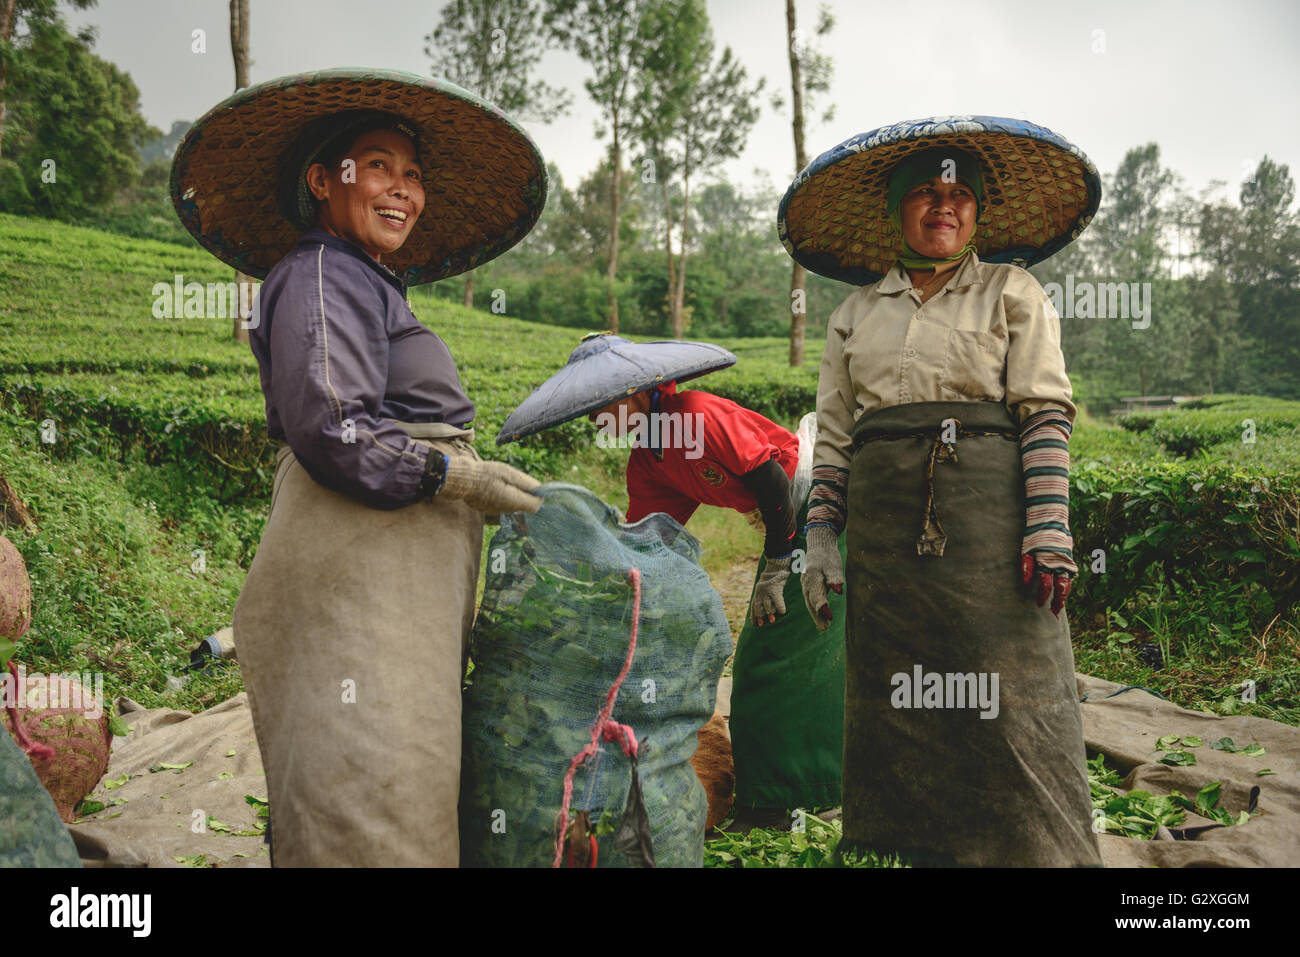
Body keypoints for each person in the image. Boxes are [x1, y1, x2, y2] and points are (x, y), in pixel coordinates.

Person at [170, 69, 548, 866]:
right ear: (323, 181)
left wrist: (461, 476)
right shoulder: (319, 272)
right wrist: (455, 478)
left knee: (407, 760)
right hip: (360, 557)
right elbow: (333, 426)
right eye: (377, 166)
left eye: (413, 175)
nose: (402, 190)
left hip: (397, 558)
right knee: (372, 766)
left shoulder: (364, 280)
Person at [779, 116, 1105, 866]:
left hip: (991, 527)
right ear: (898, 209)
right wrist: (821, 541)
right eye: (925, 193)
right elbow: (832, 441)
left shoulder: (1010, 292)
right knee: (897, 693)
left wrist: (1048, 524)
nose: (943, 207)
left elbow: (1044, 410)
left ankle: (1034, 848)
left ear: (978, 214)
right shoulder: (855, 313)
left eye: (958, 195)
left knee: (1009, 692)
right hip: (889, 537)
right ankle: (899, 841)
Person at [496, 333, 846, 832]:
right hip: (784, 524)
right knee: (773, 650)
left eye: (603, 406)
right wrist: (599, 587)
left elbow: (769, 478)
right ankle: (778, 793)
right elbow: (648, 540)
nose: (598, 420)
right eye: (591, 412)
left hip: (816, 509)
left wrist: (775, 561)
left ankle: (808, 797)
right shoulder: (649, 460)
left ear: (637, 393)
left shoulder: (696, 414)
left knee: (786, 654)